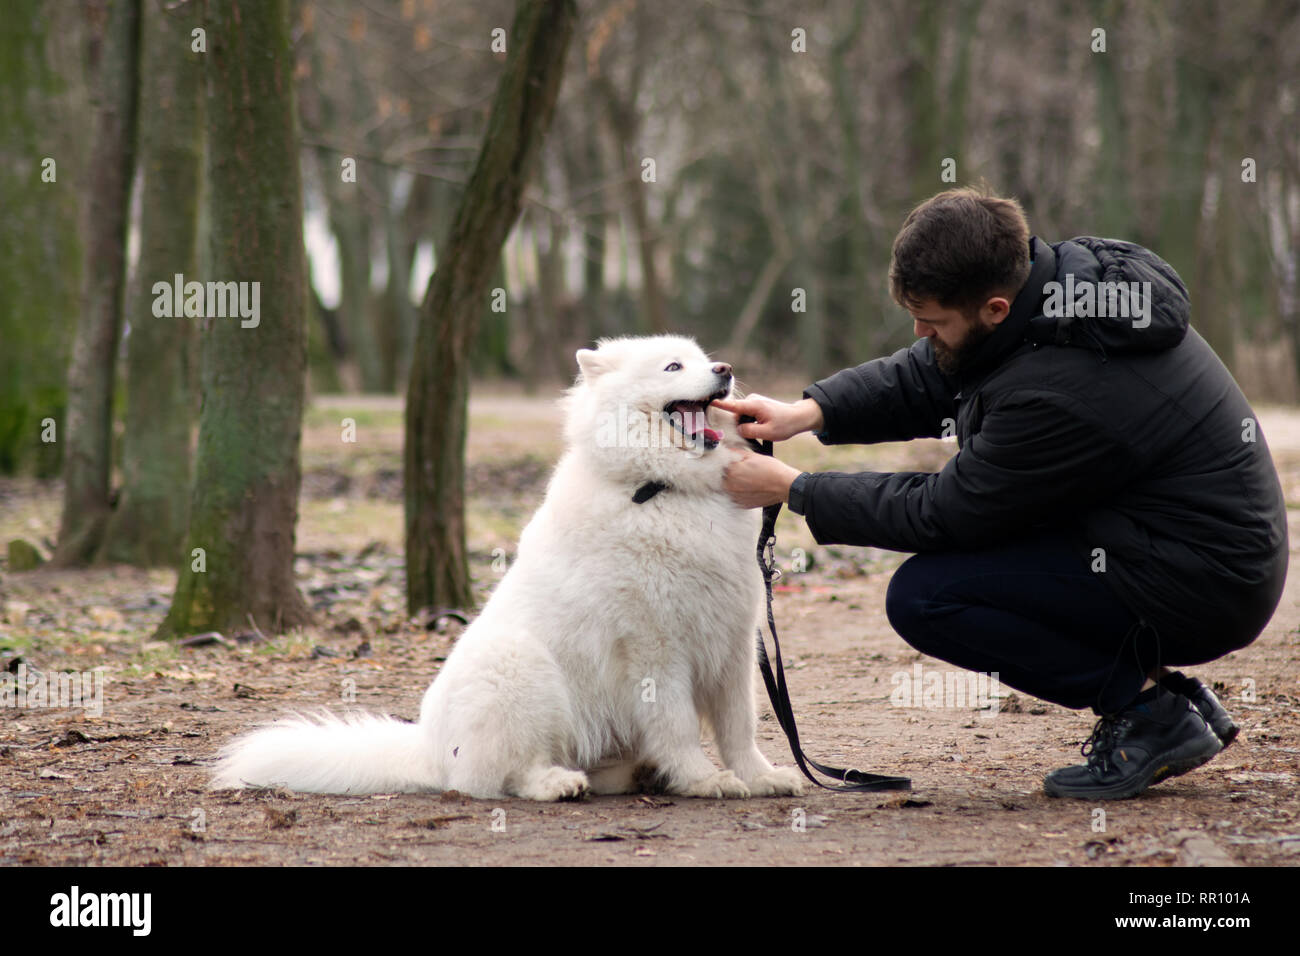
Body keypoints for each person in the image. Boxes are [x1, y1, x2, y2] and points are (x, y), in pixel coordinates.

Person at [715, 185, 1288, 800]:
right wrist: (807, 412)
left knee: (929, 597)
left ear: (992, 308)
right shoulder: (1056, 295)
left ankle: (1150, 714)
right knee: (964, 564)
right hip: (1166, 542)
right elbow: (931, 372)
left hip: (1206, 584)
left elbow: (944, 514)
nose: (918, 330)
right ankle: (1164, 697)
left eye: (931, 321)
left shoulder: (1062, 390)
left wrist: (797, 489)